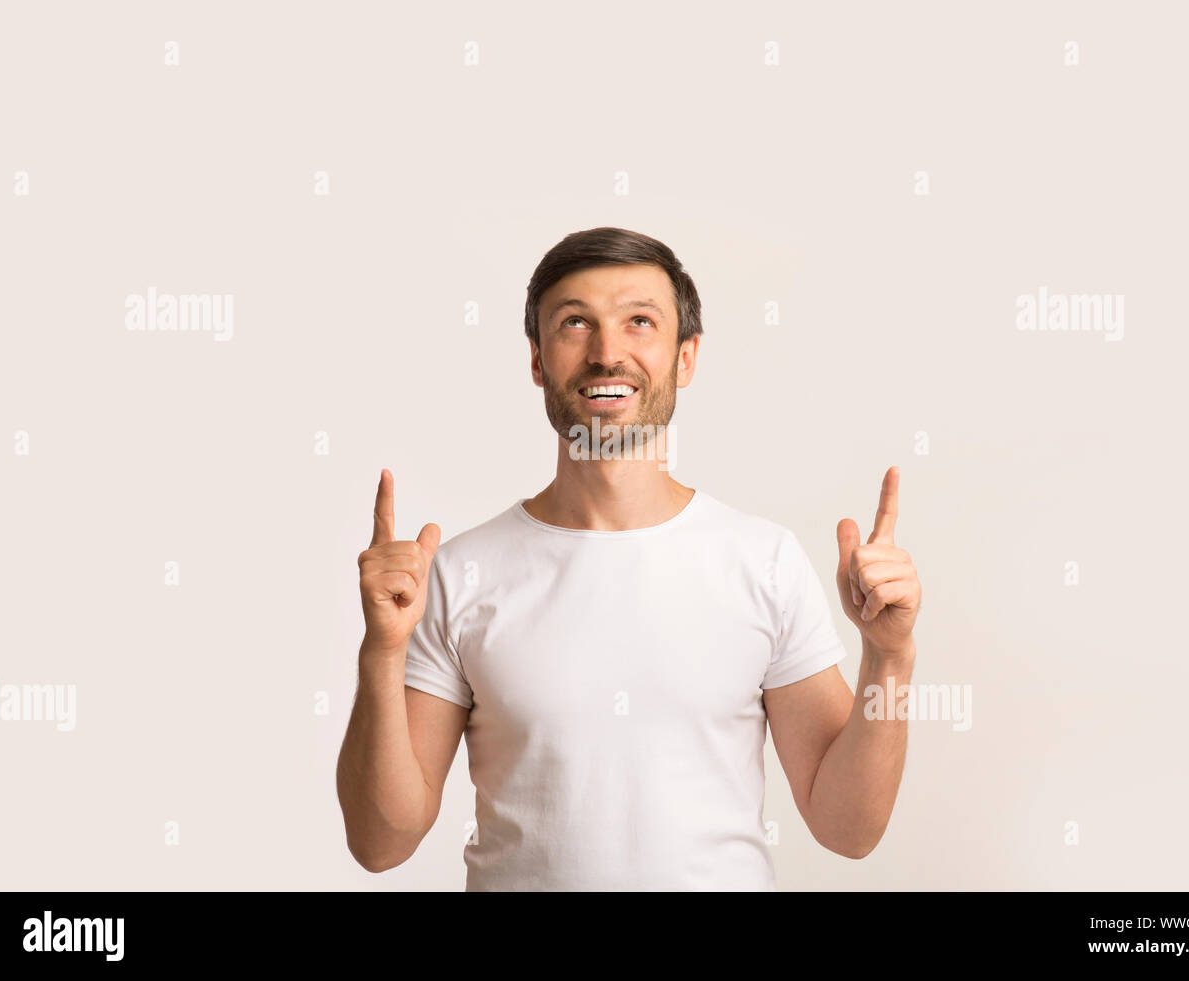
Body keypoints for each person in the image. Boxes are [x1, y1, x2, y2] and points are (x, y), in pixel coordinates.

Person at [336, 227, 922, 890]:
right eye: (574, 323)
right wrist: (381, 652)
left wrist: (889, 656)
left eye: (639, 321)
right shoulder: (460, 573)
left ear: (686, 356)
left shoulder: (763, 562)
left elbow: (848, 828)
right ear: (537, 359)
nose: (608, 352)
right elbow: (381, 843)